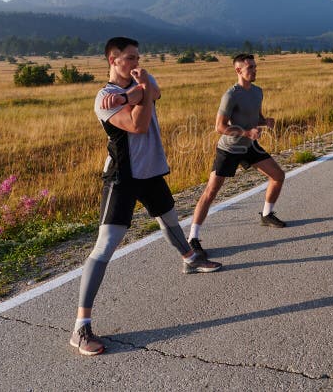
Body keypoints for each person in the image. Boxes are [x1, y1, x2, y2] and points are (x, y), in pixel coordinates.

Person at [70, 36, 221, 356]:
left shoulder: (129, 87)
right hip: (123, 178)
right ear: (113, 60)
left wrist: (135, 92)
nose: (136, 63)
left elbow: (155, 92)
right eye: (129, 58)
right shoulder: (103, 98)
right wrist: (142, 92)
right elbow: (138, 124)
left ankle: (190, 258)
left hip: (150, 171)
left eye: (138, 57)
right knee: (105, 247)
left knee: (168, 220)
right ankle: (80, 327)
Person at [188, 53, 286, 259]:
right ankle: (192, 238)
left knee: (278, 176)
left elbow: (255, 118)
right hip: (229, 149)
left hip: (249, 146)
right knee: (211, 192)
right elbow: (219, 127)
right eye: (249, 67)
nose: (254, 70)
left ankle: (267, 215)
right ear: (238, 70)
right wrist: (245, 132)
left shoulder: (258, 92)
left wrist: (265, 121)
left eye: (255, 66)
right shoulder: (231, 95)